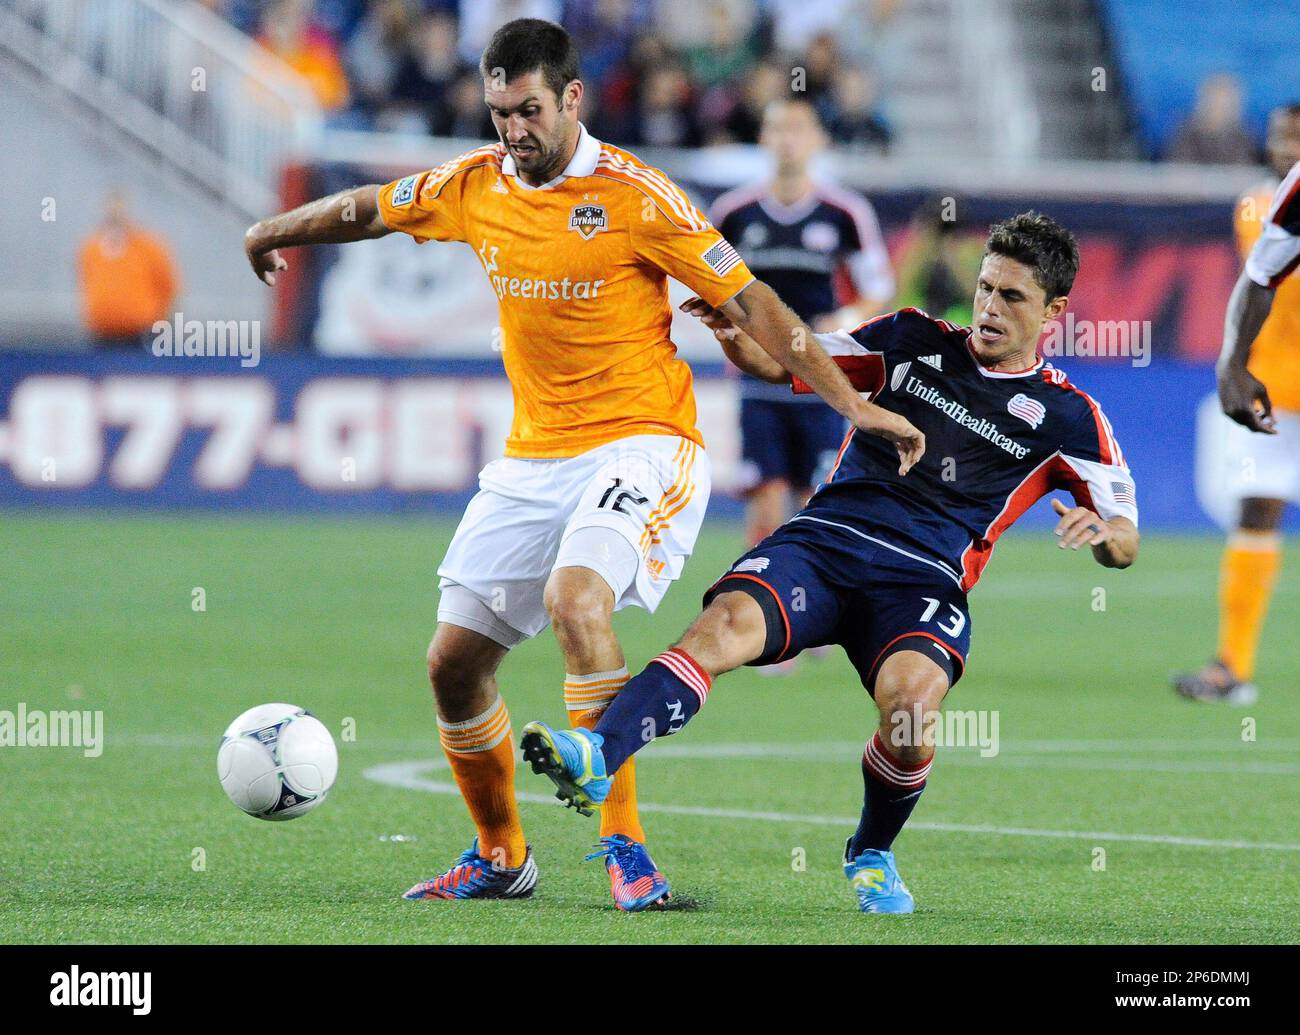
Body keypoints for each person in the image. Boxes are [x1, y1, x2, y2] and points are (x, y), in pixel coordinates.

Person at [242, 18, 920, 911]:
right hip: (534, 455)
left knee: (576, 598)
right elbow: (371, 207)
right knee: (452, 664)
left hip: (645, 439)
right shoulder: (475, 183)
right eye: (496, 114)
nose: (511, 132)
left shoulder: (641, 197)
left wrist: (855, 404)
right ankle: (501, 855)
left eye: (527, 111)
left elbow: (753, 301)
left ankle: (628, 854)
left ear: (572, 98)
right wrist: (273, 230)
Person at [521, 212, 1140, 915]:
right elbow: (793, 359)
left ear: (1056, 310)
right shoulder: (910, 338)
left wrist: (1103, 531)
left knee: (910, 713)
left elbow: (1125, 535)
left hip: (922, 579)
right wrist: (734, 335)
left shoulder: (1069, 416)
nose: (990, 308)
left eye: (1013, 297)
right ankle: (598, 754)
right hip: (825, 540)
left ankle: (872, 850)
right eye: (987, 287)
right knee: (721, 627)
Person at [712, 99, 894, 547]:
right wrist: (732, 328)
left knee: (818, 499)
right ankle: (757, 598)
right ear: (763, 139)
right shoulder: (734, 213)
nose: (788, 140)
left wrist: (845, 317)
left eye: (798, 129)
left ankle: (813, 603)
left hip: (820, 376)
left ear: (819, 140)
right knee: (767, 502)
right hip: (758, 377)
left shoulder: (844, 211)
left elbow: (878, 285)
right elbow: (706, 280)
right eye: (777, 129)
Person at [1177, 104, 1300, 703]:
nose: (1287, 148)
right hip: (1279, 390)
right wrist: (1234, 364)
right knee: (1257, 513)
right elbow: (1270, 273)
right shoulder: (1258, 207)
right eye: (1281, 137)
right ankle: (1233, 665)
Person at [77, 189, 179, 350]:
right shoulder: (92, 247)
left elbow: (168, 286)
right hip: (102, 332)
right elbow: (86, 280)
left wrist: (157, 320)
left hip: (139, 333)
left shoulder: (148, 245)